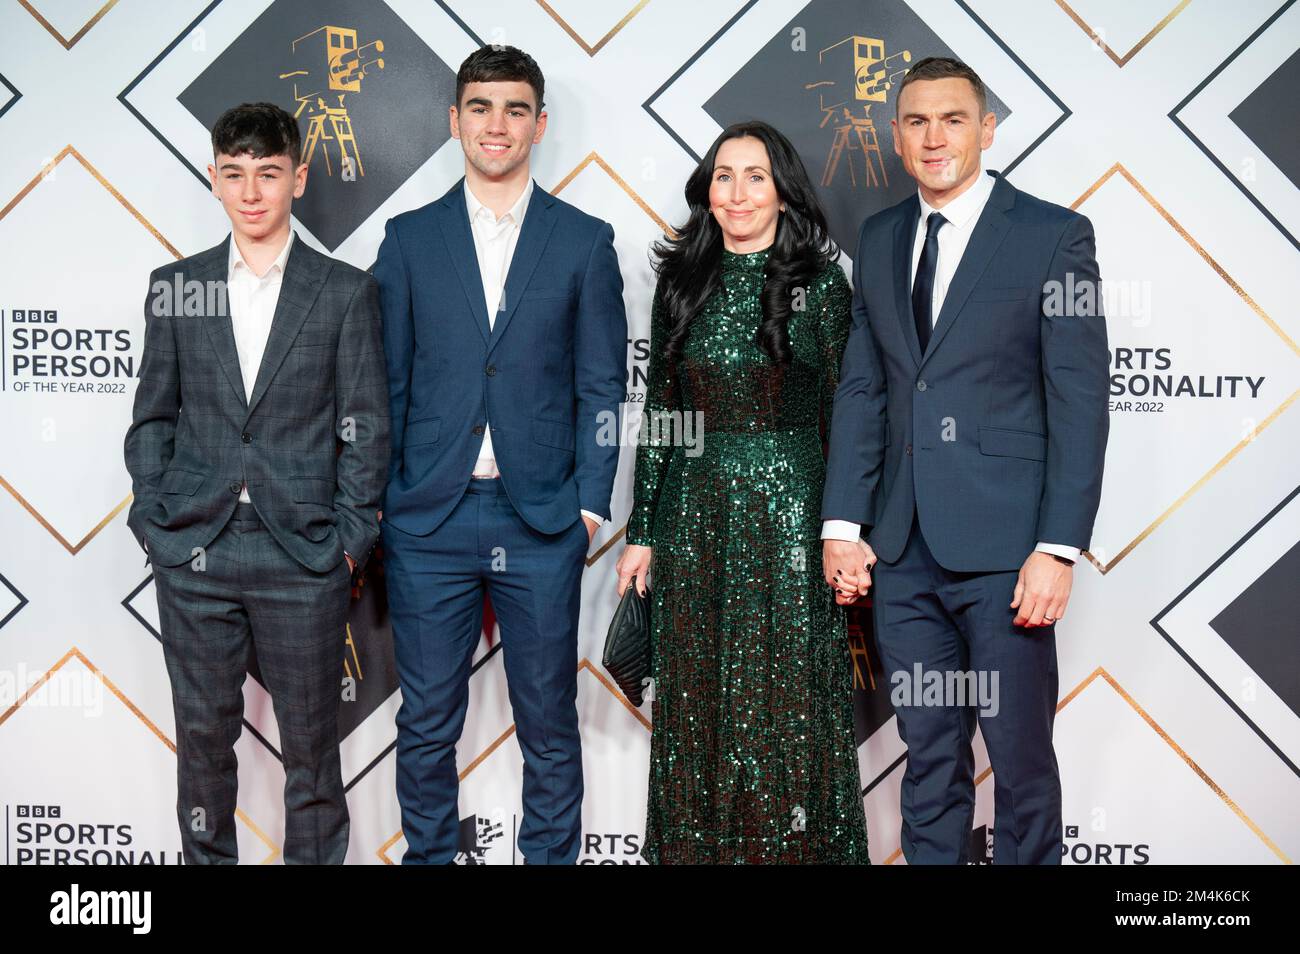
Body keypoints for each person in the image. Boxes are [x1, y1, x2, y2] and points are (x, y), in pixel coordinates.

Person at [821, 57, 1109, 864]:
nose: (934, 137)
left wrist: (1058, 547)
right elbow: (864, 389)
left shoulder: (1056, 235)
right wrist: (843, 523)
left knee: (1019, 764)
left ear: (987, 129)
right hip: (902, 551)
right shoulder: (879, 239)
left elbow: (1083, 401)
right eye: (916, 122)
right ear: (897, 136)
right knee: (930, 758)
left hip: (1009, 554)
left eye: (953, 119)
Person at [374, 45, 627, 865]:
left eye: (516, 109)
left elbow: (602, 389)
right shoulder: (408, 240)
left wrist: (590, 505)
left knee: (550, 724)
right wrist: (385, 501)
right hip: (428, 520)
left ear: (540, 124)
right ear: (454, 121)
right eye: (480, 107)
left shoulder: (585, 242)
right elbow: (384, 383)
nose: (497, 124)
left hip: (541, 521)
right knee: (425, 725)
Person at [123, 102, 389, 864]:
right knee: (203, 750)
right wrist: (158, 523)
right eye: (234, 174)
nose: (250, 191)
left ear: (298, 178)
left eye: (268, 174)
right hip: (195, 552)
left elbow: (365, 427)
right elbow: (152, 421)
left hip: (302, 555)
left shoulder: (343, 291)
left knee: (312, 757)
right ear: (213, 178)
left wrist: (346, 543)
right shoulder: (177, 285)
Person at [616, 120, 869, 864]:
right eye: (724, 176)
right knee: (699, 700)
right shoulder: (683, 281)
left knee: (787, 703)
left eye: (756, 176)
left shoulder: (820, 288)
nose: (738, 192)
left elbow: (846, 418)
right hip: (697, 515)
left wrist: (844, 527)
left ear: (785, 192)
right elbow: (665, 411)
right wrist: (644, 529)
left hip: (792, 516)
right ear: (707, 190)